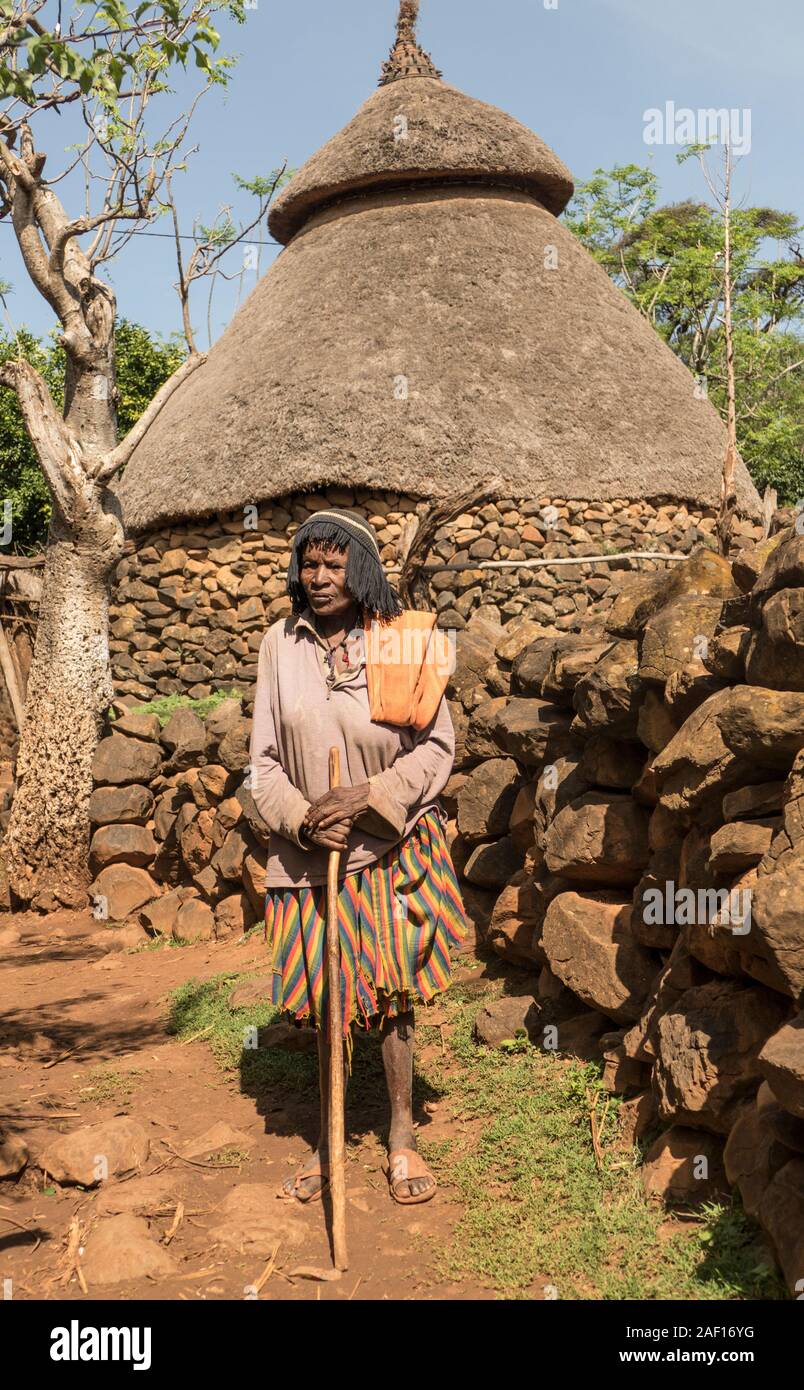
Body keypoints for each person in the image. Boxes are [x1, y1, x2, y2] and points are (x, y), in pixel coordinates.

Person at [248, 508, 468, 1205]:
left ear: (362, 569)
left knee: (395, 991)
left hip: (392, 844)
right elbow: (263, 763)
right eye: (307, 565)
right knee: (326, 997)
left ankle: (402, 1138)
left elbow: (437, 748)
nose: (317, 578)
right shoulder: (278, 646)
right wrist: (306, 820)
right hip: (312, 855)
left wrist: (368, 795)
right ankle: (327, 1141)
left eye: (333, 565)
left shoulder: (402, 643)